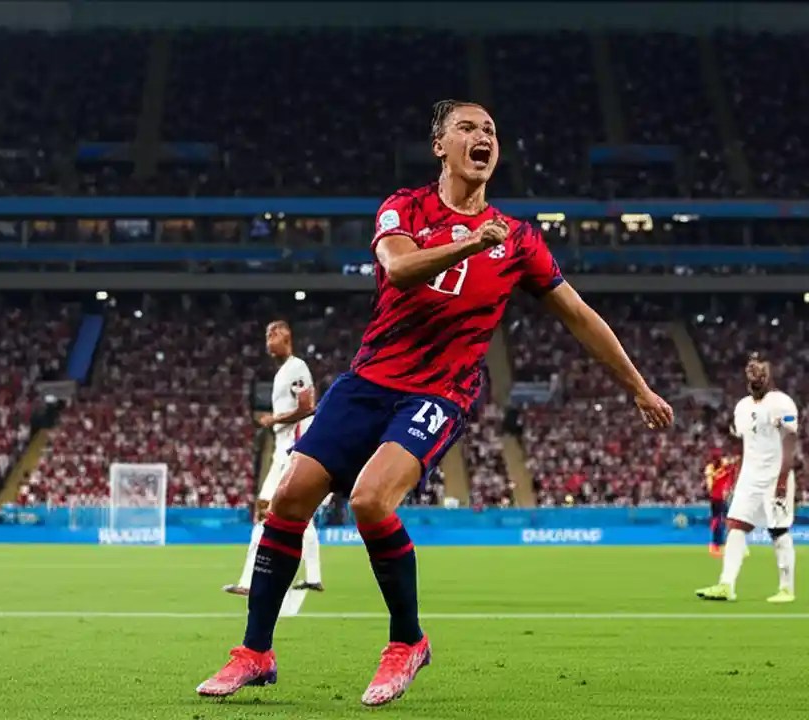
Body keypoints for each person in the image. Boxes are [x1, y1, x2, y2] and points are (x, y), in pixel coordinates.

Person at [196, 99, 675, 707]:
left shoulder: (520, 239)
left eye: (491, 131)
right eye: (468, 128)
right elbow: (397, 269)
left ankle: (407, 643)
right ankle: (255, 654)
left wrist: (637, 387)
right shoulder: (406, 206)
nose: (483, 138)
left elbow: (579, 316)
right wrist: (471, 243)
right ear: (440, 147)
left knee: (371, 500)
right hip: (368, 380)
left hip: (438, 392)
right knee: (288, 499)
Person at [223, 320, 324, 596]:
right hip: (285, 448)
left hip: (290, 451)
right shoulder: (283, 372)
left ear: (284, 336)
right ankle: (314, 576)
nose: (267, 340)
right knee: (303, 516)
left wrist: (274, 419)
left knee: (263, 510)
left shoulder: (296, 368)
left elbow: (308, 407)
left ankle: (248, 580)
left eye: (271, 334)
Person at [696, 353, 799, 603]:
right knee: (736, 526)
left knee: (778, 530)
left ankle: (786, 588)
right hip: (750, 478)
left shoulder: (781, 403)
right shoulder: (742, 407)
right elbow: (747, 442)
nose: (755, 380)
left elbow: (790, 440)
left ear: (768, 378)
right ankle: (726, 585)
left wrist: (783, 479)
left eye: (759, 375)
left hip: (775, 475)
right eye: (751, 375)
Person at [705, 448, 737, 557]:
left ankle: (726, 544)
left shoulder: (724, 465)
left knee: (728, 521)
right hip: (715, 499)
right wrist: (722, 472)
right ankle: (714, 545)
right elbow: (710, 486)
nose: (719, 460)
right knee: (717, 522)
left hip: (723, 498)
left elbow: (732, 464)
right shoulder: (710, 468)